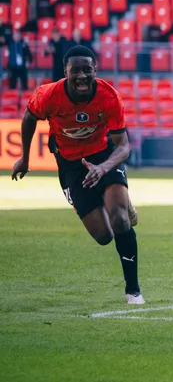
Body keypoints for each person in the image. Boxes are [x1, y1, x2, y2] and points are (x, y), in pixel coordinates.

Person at [10, 46, 143, 304]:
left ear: (95, 70)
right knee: (104, 236)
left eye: (87, 70)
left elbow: (124, 146)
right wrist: (25, 159)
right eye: (75, 71)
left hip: (104, 157)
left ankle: (133, 291)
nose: (82, 76)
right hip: (70, 164)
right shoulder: (48, 95)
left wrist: (103, 167)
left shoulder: (109, 97)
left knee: (120, 219)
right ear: (65, 72)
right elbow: (29, 117)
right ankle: (115, 200)